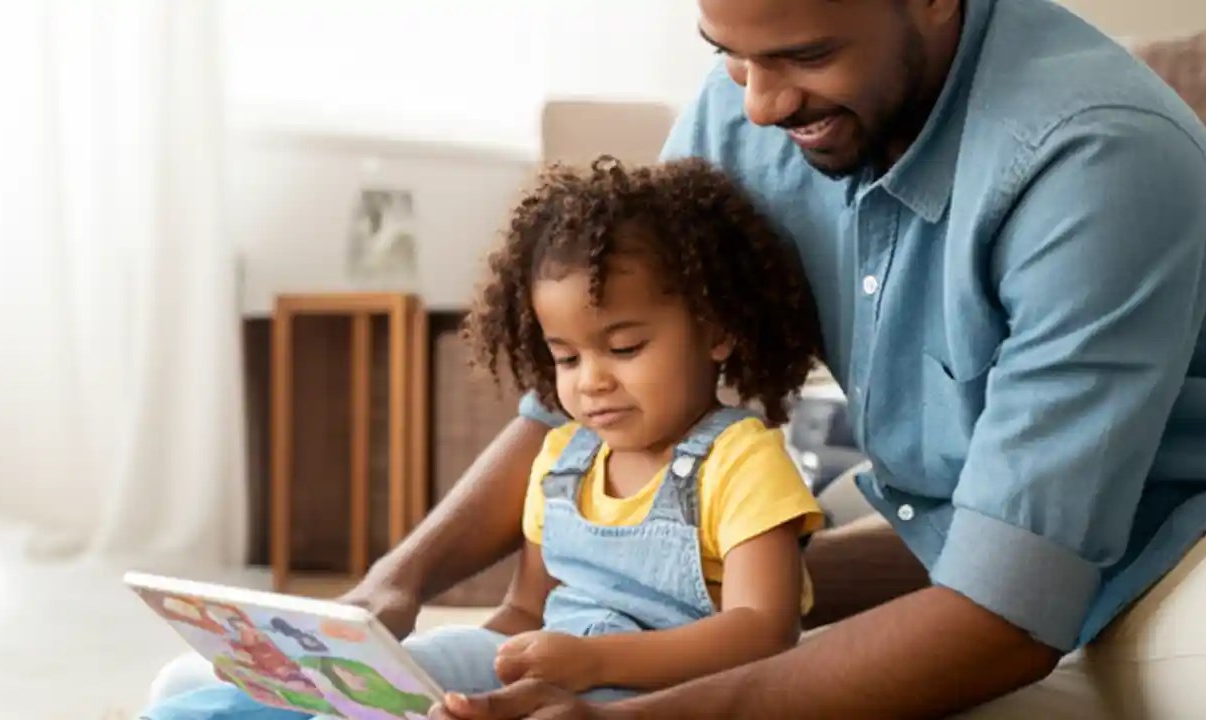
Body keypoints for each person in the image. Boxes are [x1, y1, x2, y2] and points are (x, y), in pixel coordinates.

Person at [354, 0, 1206, 718]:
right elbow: (571, 399)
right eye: (731, 55)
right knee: (687, 575)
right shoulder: (750, 101)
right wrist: (395, 585)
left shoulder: (1094, 160)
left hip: (1174, 543)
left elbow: (1008, 610)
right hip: (949, 521)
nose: (760, 106)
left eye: (806, 54)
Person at [140, 157, 827, 719]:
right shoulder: (564, 459)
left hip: (650, 696)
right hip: (548, 668)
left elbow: (764, 632)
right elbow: (523, 611)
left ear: (716, 332)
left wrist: (592, 662)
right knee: (185, 687)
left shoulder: (741, 459)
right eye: (566, 357)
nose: (591, 382)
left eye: (625, 346)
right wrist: (448, 674)